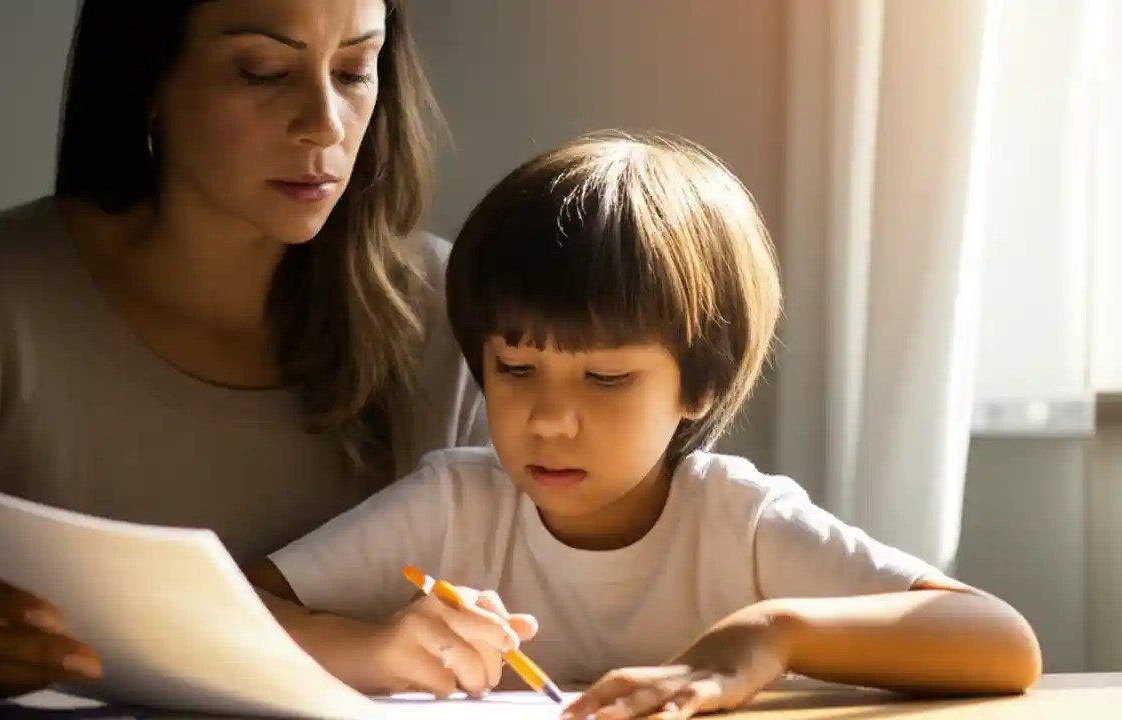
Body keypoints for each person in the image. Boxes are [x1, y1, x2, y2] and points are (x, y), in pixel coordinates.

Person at [250, 133, 1043, 718]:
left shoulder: (740, 522)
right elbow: (235, 614)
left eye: (606, 378)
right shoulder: (455, 503)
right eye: (516, 370)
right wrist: (376, 649)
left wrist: (770, 635)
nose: (551, 419)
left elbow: (1001, 642)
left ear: (700, 383)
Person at [0, 0, 486, 702]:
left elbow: (563, 593)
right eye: (264, 71)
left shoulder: (453, 309)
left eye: (356, 71)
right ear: (146, 79)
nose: (326, 123)